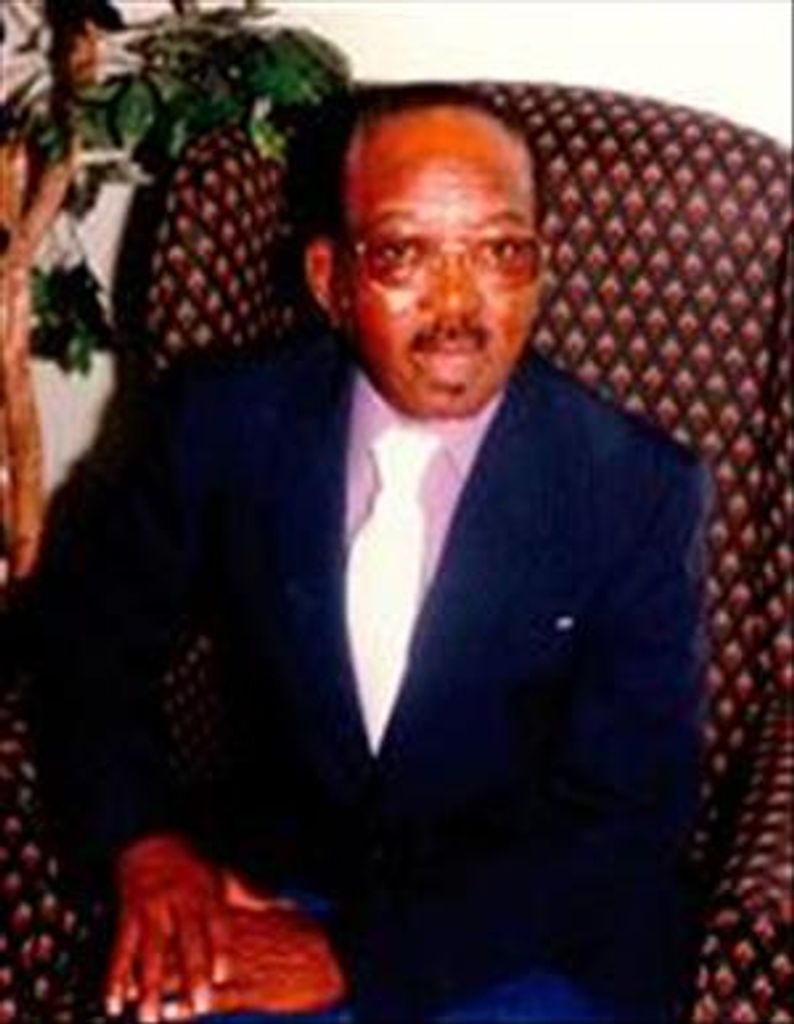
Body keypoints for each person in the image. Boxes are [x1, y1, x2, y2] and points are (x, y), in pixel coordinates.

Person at [28, 84, 710, 1024]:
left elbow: (628, 811)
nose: (457, 305)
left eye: (500, 253)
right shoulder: (227, 421)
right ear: (330, 280)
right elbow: (87, 638)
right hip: (277, 890)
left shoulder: (636, 486)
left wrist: (359, 961)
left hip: (527, 945)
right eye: (403, 254)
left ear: (540, 269)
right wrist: (146, 846)